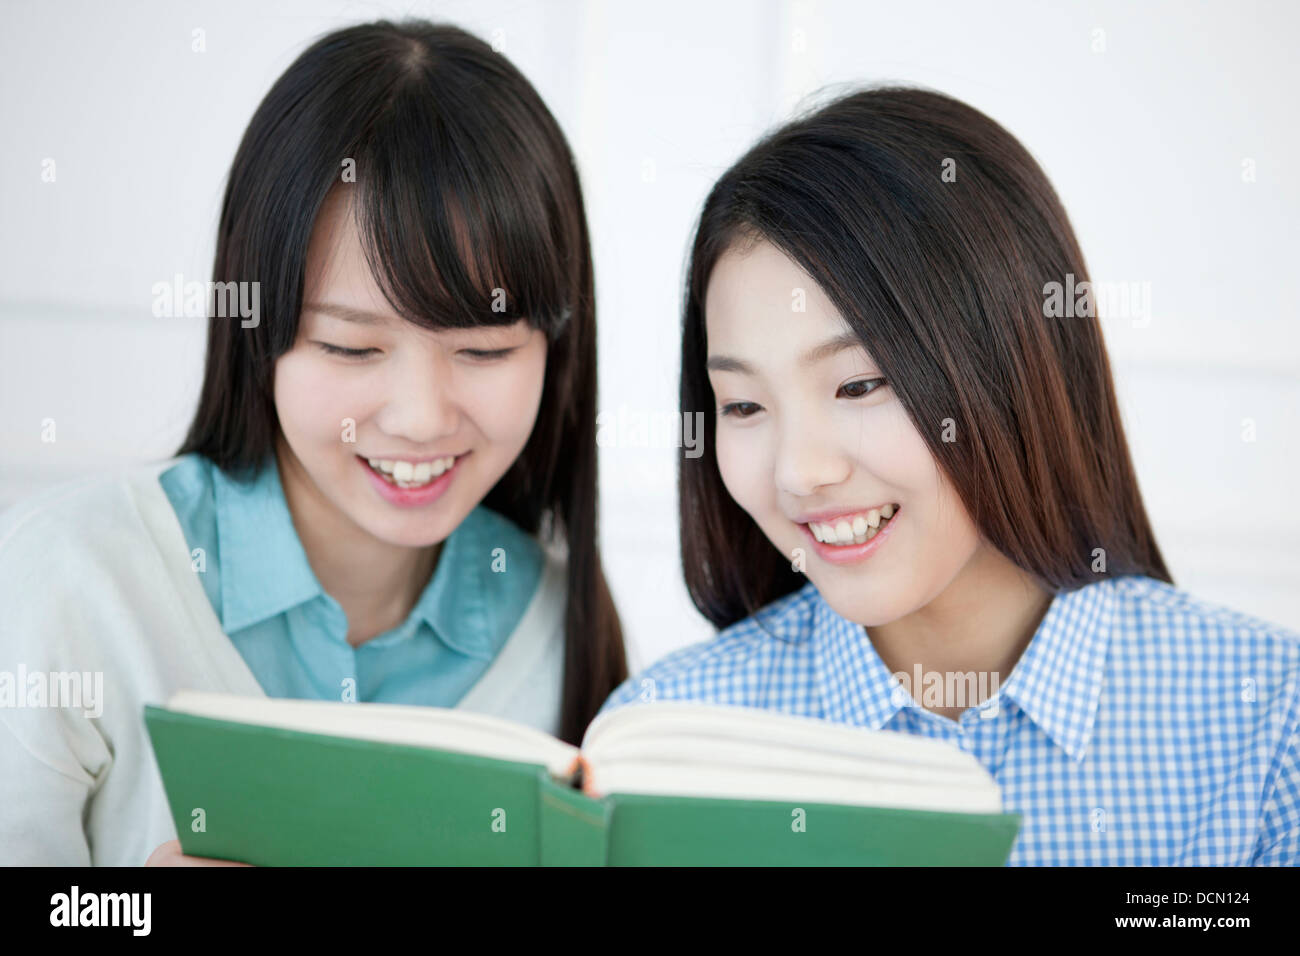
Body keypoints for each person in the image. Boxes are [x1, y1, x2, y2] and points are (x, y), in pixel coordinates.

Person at [599, 86, 1299, 866]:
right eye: (744, 405)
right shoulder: (668, 737)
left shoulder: (1266, 723)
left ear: (1011, 365)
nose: (800, 473)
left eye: (859, 385)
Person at [0, 19, 625, 866]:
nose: (418, 417)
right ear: (256, 332)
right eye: (350, 347)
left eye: (483, 351)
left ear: (556, 347)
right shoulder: (65, 591)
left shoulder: (555, 624)